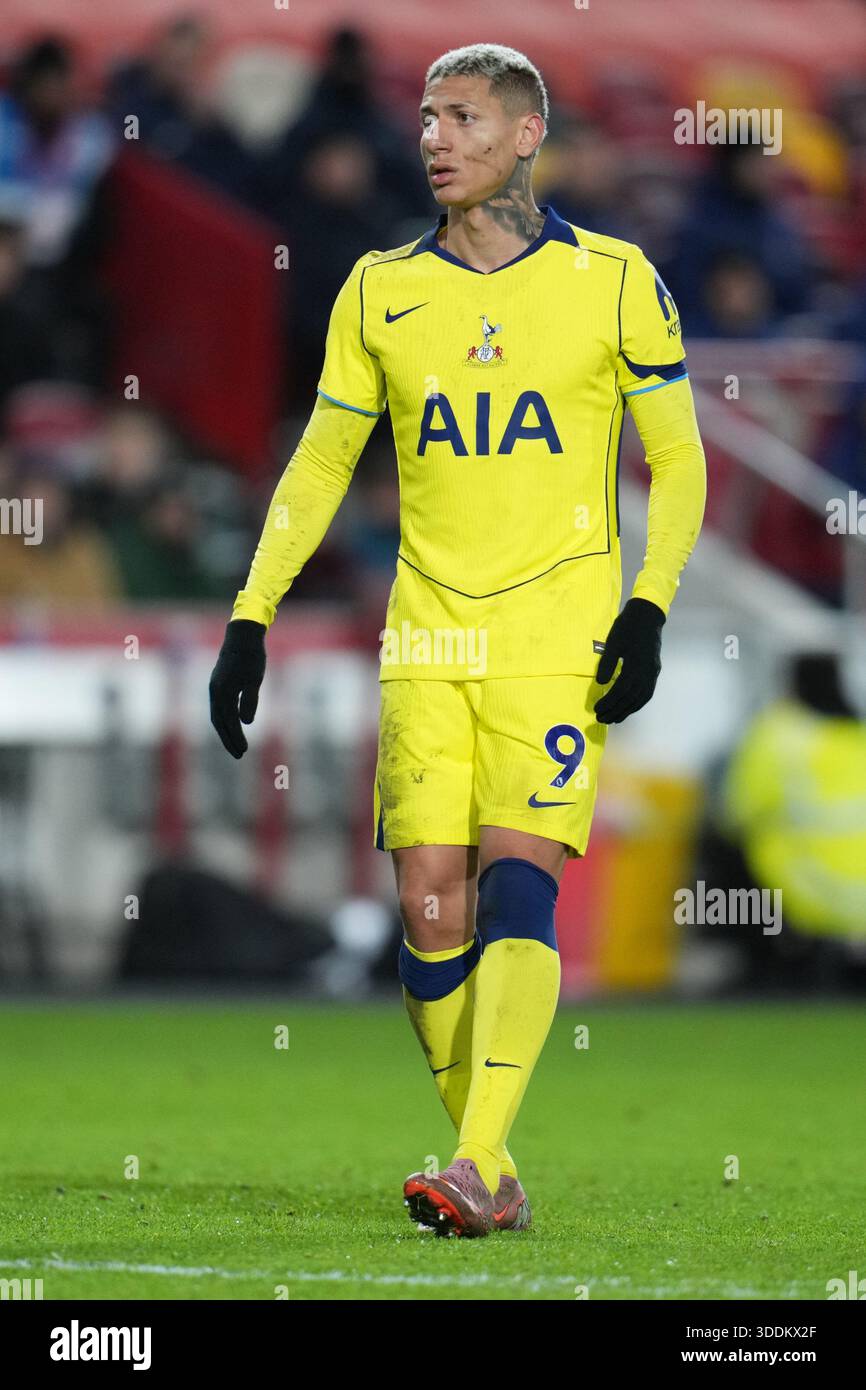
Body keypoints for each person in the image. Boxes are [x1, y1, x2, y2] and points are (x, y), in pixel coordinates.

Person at [209, 43, 706, 1238]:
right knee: (429, 907)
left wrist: (647, 604)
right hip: (424, 639)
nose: (436, 138)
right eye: (427, 117)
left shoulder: (615, 279)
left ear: (525, 136)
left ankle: (475, 1162)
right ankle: (491, 1162)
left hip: (554, 636)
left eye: (465, 118)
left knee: (512, 883)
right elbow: (323, 461)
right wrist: (250, 613)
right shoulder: (380, 289)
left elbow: (679, 459)